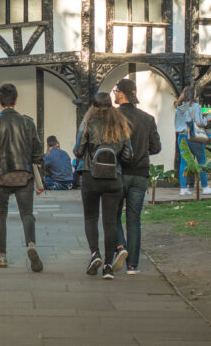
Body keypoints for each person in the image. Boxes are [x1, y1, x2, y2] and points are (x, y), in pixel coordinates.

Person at [0, 83, 44, 272]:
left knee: (0, 214)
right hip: (24, 176)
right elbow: (38, 152)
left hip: (2, 176)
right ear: (16, 100)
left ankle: (2, 256)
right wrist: (40, 178)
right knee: (27, 214)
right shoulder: (28, 122)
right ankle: (31, 245)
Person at [74, 91, 132, 280]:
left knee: (90, 217)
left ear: (93, 107)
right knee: (109, 222)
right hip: (113, 178)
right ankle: (108, 266)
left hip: (91, 176)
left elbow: (78, 151)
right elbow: (128, 155)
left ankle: (94, 255)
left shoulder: (88, 124)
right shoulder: (120, 125)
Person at [113, 78, 161, 276]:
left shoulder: (113, 117)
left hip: (118, 174)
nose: (114, 94)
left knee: (113, 215)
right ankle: (133, 265)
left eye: (116, 91)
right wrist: (141, 151)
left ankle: (120, 246)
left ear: (122, 94)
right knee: (134, 219)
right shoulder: (147, 118)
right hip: (140, 174)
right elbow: (156, 147)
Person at [174, 86, 211, 196]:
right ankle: (205, 187)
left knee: (184, 162)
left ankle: (183, 188)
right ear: (193, 95)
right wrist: (206, 120)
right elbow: (199, 122)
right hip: (193, 136)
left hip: (181, 136)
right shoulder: (195, 106)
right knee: (201, 160)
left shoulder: (179, 107)